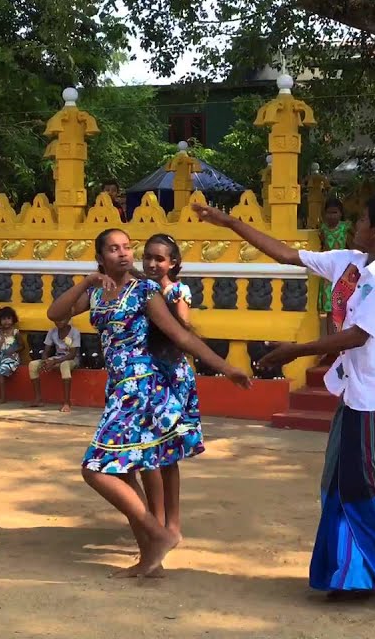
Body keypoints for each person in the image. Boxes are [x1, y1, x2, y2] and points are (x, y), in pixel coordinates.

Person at [192, 191, 375, 610]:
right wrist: (230, 224)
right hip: (354, 389)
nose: (354, 225)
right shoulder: (349, 262)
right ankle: (350, 572)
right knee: (337, 481)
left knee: (364, 484)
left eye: (361, 219)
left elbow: (358, 335)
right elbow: (286, 254)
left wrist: (294, 351)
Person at [45, 227, 249, 578]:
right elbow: (55, 314)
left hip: (142, 388)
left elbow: (179, 334)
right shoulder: (96, 295)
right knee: (124, 468)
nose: (123, 253)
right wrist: (88, 283)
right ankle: (148, 557)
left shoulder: (144, 290)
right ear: (100, 258)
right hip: (119, 388)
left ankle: (159, 534)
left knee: (94, 468)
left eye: (126, 247)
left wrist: (225, 367)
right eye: (113, 249)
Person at [140, 233, 199, 540]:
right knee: (146, 452)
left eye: (159, 258)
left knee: (168, 453)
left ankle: (172, 525)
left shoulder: (177, 291)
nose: (151, 263)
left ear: (173, 263)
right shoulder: (137, 289)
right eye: (147, 257)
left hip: (171, 377)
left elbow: (182, 331)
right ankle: (155, 521)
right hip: (142, 377)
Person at [317, 197, 352, 338]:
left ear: (341, 213)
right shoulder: (322, 229)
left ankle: (341, 338)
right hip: (328, 272)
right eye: (329, 213)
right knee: (329, 308)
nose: (332, 216)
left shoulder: (346, 227)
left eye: (335, 212)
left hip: (343, 270)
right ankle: (330, 340)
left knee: (343, 306)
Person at [28, 317, 80, 411]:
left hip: (71, 359)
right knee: (33, 365)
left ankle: (67, 403)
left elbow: (72, 355)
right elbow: (46, 351)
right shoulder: (52, 331)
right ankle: (38, 399)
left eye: (62, 319)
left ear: (68, 319)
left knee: (64, 365)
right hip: (57, 357)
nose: (59, 321)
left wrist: (54, 362)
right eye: (57, 319)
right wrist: (46, 361)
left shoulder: (74, 332)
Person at [0, 307, 22, 403]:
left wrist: (13, 350)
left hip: (12, 358)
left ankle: (3, 397)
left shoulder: (16, 332)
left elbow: (22, 346)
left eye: (8, 318)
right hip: (0, 357)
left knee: (0, 372)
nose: (6, 321)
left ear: (13, 319)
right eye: (3, 319)